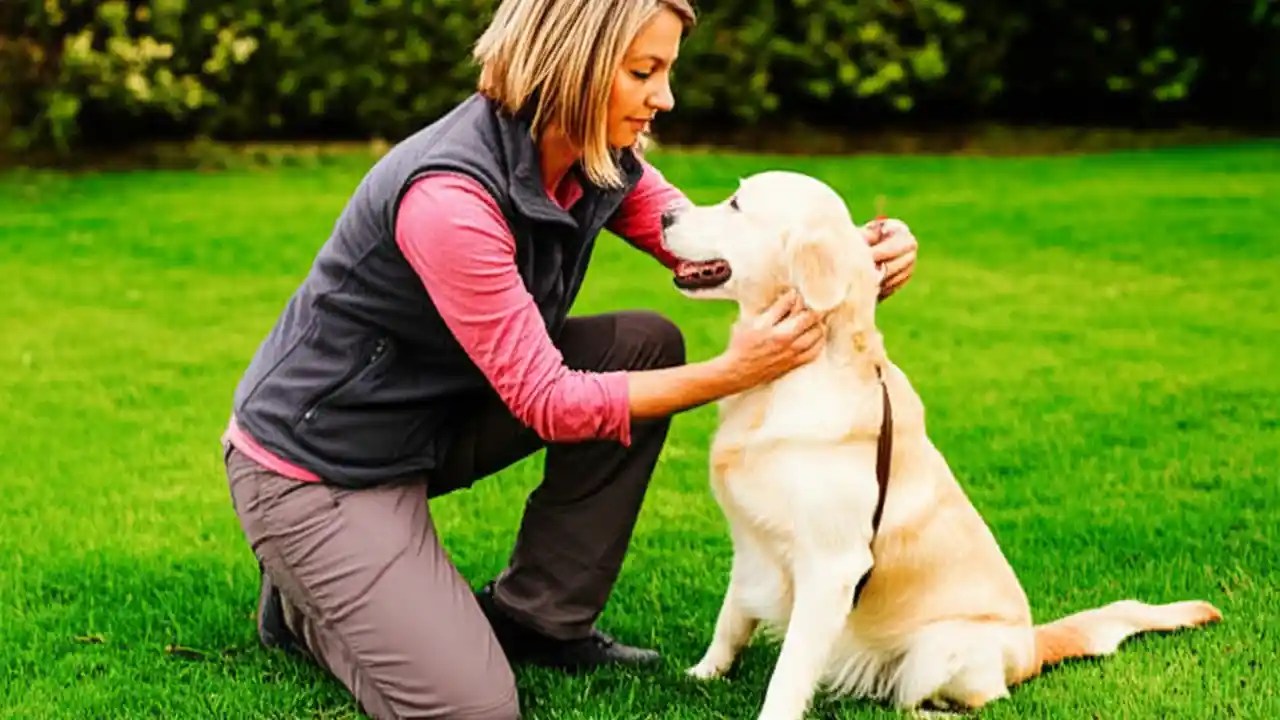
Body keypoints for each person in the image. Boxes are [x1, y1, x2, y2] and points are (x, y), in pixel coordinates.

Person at [220, 0, 919, 718]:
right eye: (644, 71)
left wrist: (854, 263)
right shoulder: (450, 198)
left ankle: (540, 619)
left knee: (644, 344)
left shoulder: (597, 161)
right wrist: (733, 373)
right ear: (572, 67)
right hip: (320, 467)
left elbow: (723, 251)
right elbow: (548, 402)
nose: (665, 98)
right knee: (473, 708)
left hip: (438, 418)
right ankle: (305, 607)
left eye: (667, 71)